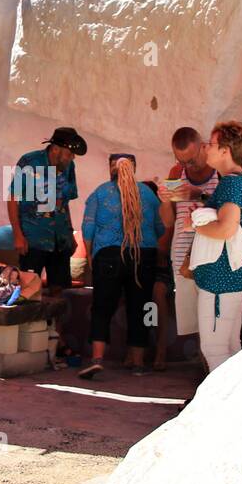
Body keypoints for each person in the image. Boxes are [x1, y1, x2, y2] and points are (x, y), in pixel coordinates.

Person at [78, 154, 167, 379]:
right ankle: (138, 362)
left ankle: (97, 359)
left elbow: (87, 229)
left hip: (109, 255)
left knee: (102, 307)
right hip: (143, 255)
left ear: (111, 168)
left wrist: (90, 255)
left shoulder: (100, 193)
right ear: (134, 168)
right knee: (143, 307)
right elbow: (160, 228)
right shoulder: (148, 194)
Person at [183, 121, 242, 373]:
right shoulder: (237, 182)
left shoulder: (232, 184)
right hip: (234, 280)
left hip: (221, 282)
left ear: (225, 150)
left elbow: (226, 229)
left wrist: (195, 227)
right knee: (231, 346)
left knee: (214, 349)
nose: (206, 149)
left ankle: (223, 409)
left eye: (211, 144)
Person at [7, 126, 85, 361]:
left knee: (58, 290)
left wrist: (70, 232)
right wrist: (18, 235)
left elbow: (64, 202)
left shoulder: (68, 166)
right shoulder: (29, 162)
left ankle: (55, 339)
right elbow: (13, 199)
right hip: (32, 236)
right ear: (57, 148)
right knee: (28, 289)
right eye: (69, 154)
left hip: (59, 238)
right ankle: (27, 341)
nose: (72, 159)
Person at [158, 126, 222, 341]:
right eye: (181, 160)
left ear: (203, 147)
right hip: (183, 259)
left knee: (215, 320)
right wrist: (165, 201)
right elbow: (168, 221)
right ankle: (204, 369)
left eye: (191, 160)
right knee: (194, 322)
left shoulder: (219, 171)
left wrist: (198, 194)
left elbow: (231, 210)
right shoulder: (177, 172)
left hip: (214, 255)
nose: (186, 166)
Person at [142, 180, 175, 372]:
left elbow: (162, 250)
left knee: (156, 292)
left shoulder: (164, 217)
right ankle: (141, 346)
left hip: (162, 272)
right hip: (144, 269)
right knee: (140, 293)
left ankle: (160, 349)